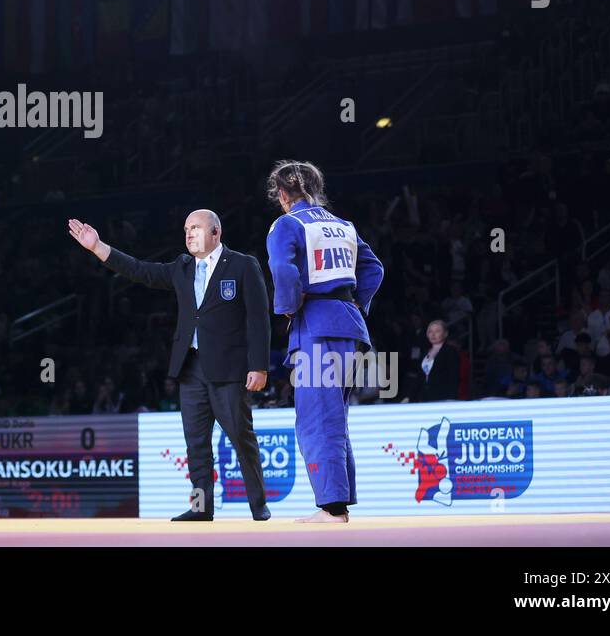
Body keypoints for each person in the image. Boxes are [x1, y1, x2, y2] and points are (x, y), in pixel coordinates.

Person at [68, 210, 272, 522]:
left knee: (241, 439)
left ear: (215, 232)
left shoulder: (244, 265)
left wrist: (259, 366)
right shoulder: (182, 267)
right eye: (186, 228)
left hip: (230, 370)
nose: (189, 233)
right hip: (191, 369)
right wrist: (99, 247)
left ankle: (259, 506)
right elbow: (140, 270)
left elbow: (258, 319)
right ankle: (202, 508)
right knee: (196, 445)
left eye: (196, 228)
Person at [265, 160, 383, 524]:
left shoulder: (287, 223)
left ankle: (332, 509)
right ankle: (338, 504)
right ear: (316, 189)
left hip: (316, 327)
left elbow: (283, 270)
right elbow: (374, 269)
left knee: (317, 418)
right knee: (335, 417)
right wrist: (351, 302)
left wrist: (288, 307)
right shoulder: (342, 225)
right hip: (350, 325)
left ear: (282, 194)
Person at [418, 320, 461, 402]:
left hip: (443, 396)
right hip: (425, 396)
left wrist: (451, 398)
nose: (433, 334)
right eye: (430, 331)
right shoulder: (425, 352)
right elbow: (420, 376)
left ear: (445, 334)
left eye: (437, 331)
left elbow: (453, 377)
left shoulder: (450, 351)